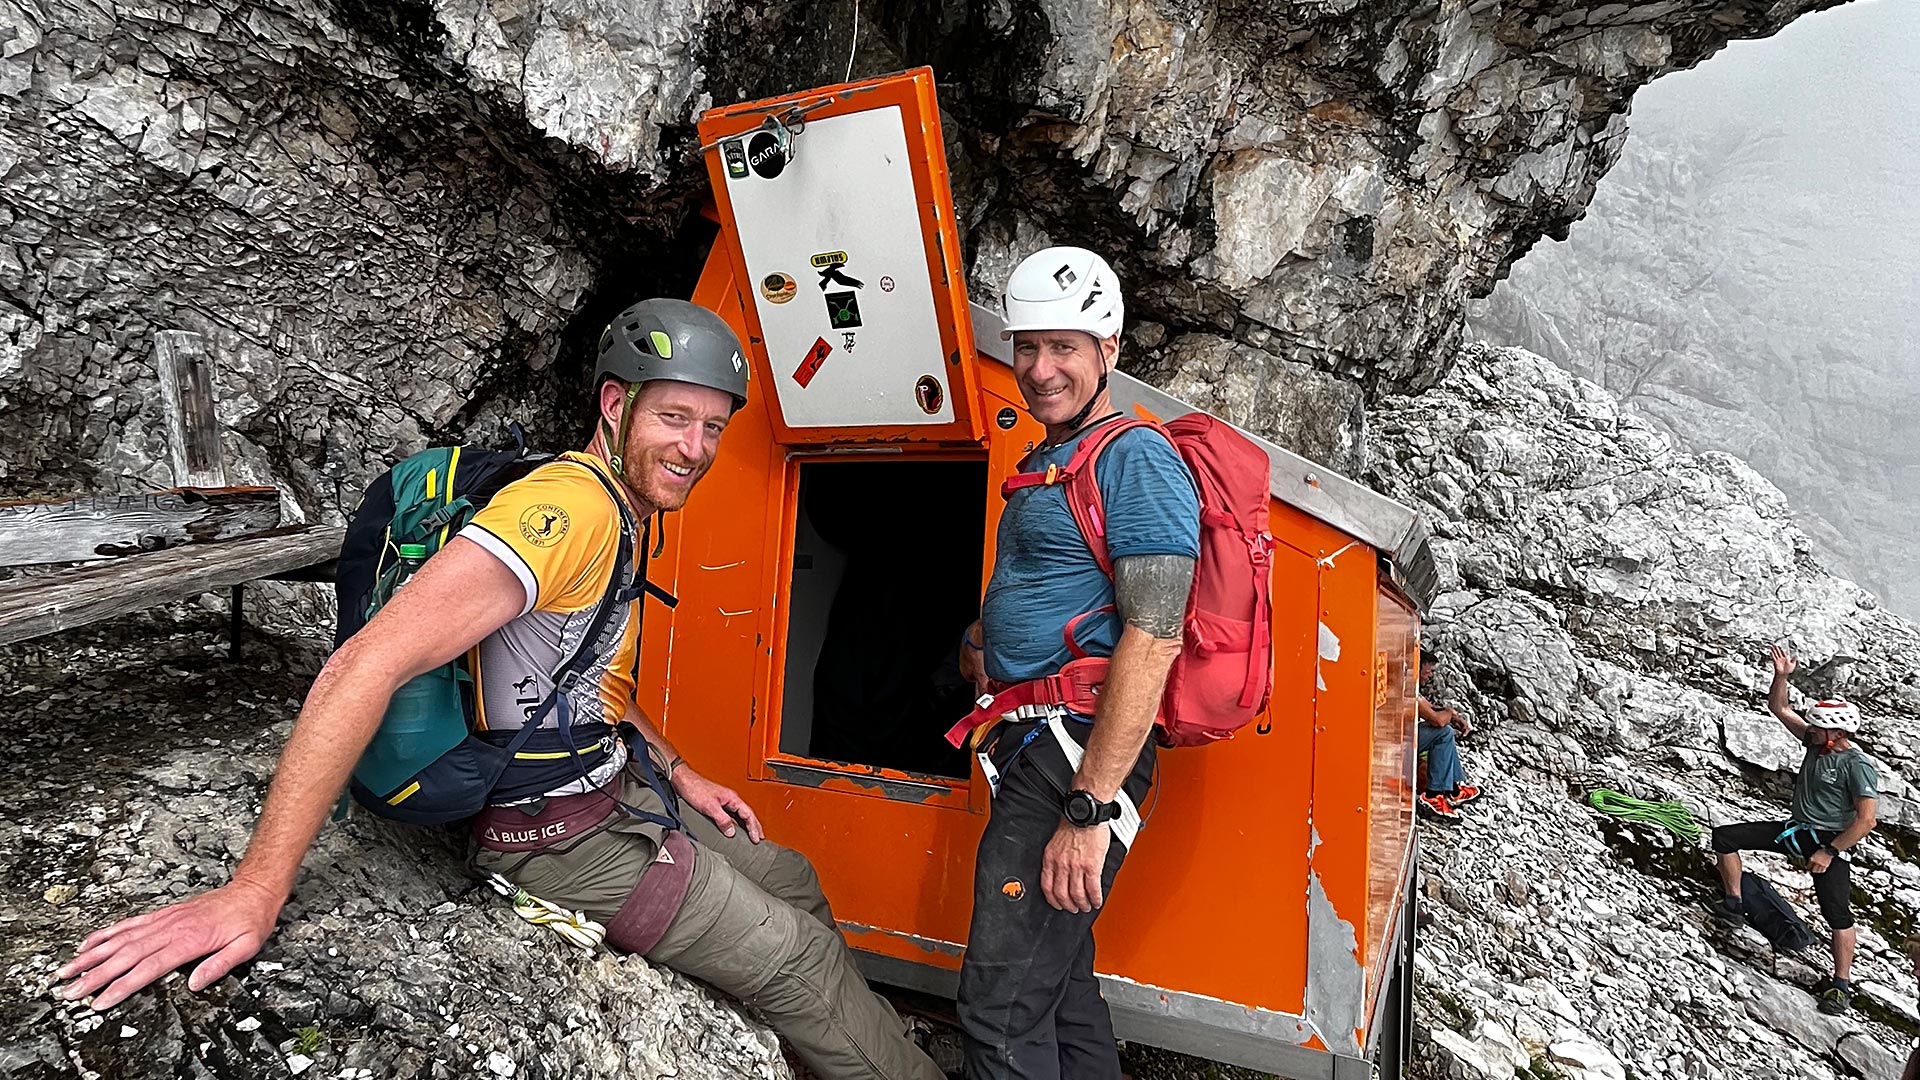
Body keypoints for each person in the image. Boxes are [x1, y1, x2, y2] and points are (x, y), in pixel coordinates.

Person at [58, 299, 942, 1080]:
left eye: (712, 428)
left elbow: (575, 667)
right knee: (798, 961)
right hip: (550, 835)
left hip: (611, 784)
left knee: (794, 878)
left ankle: (834, 1051)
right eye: (676, 419)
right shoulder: (569, 512)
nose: (695, 449)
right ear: (614, 403)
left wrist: (680, 773)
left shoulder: (623, 509)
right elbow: (363, 664)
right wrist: (254, 890)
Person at [953, 247, 1200, 1079]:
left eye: (1065, 347)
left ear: (1109, 350)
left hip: (1075, 756)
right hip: (1035, 740)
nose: (1040, 368)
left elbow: (1155, 633)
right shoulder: (1046, 463)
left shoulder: (1136, 458)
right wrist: (988, 641)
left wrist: (1088, 813)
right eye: (1027, 346)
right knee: (1057, 988)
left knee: (998, 1009)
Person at [1711, 644, 1878, 1015]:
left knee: (1837, 914)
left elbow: (1867, 820)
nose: (1812, 729)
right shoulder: (1816, 746)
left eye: (1818, 727)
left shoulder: (1856, 766)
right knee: (1725, 837)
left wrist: (1829, 851)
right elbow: (1779, 708)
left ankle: (1841, 985)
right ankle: (1735, 903)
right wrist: (1782, 677)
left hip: (1827, 842)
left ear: (1835, 733)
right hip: (1796, 831)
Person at [1416, 651, 1481, 821]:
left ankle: (1454, 790)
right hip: (1396, 744)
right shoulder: (1407, 691)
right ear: (1417, 668)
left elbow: (1429, 707)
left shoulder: (1410, 688)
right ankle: (1434, 794)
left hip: (1402, 739)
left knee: (1445, 731)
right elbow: (1437, 720)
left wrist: (1452, 715)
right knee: (1443, 732)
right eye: (1428, 672)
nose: (1430, 676)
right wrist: (1449, 715)